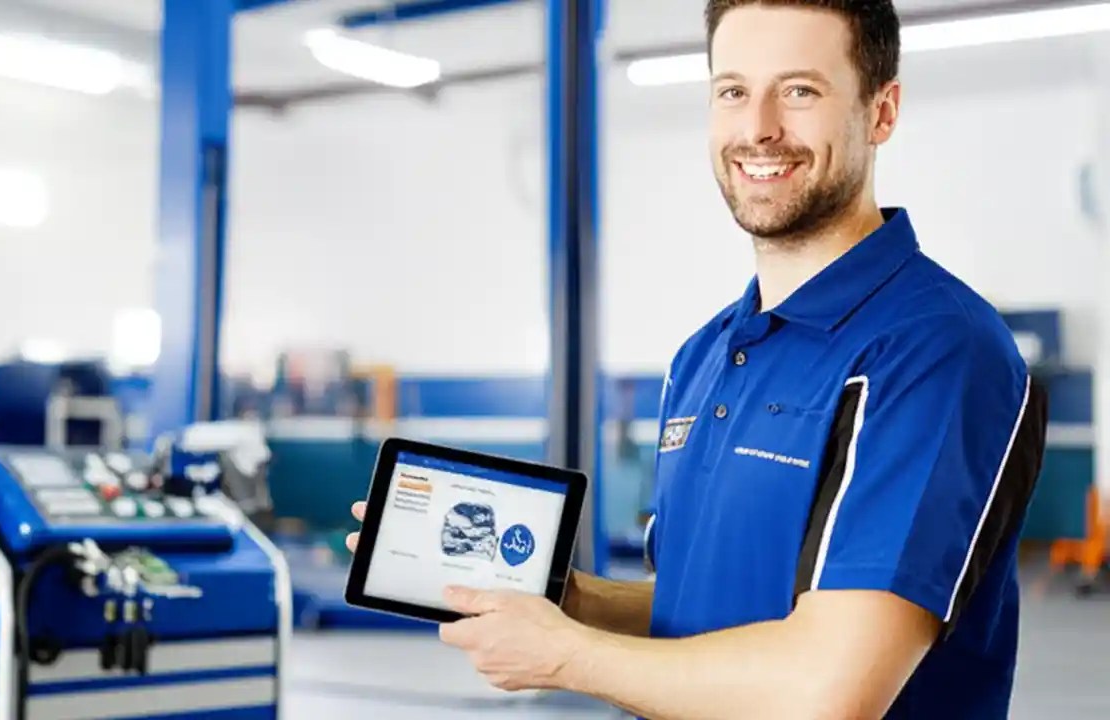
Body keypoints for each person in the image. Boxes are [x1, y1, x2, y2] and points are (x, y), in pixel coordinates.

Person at [347, 1, 1049, 717]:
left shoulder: (935, 348)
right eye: (733, 91)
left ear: (882, 112)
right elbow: (698, 606)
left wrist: (564, 653)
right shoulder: (705, 355)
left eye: (800, 90)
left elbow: (831, 689)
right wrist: (561, 596)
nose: (758, 128)